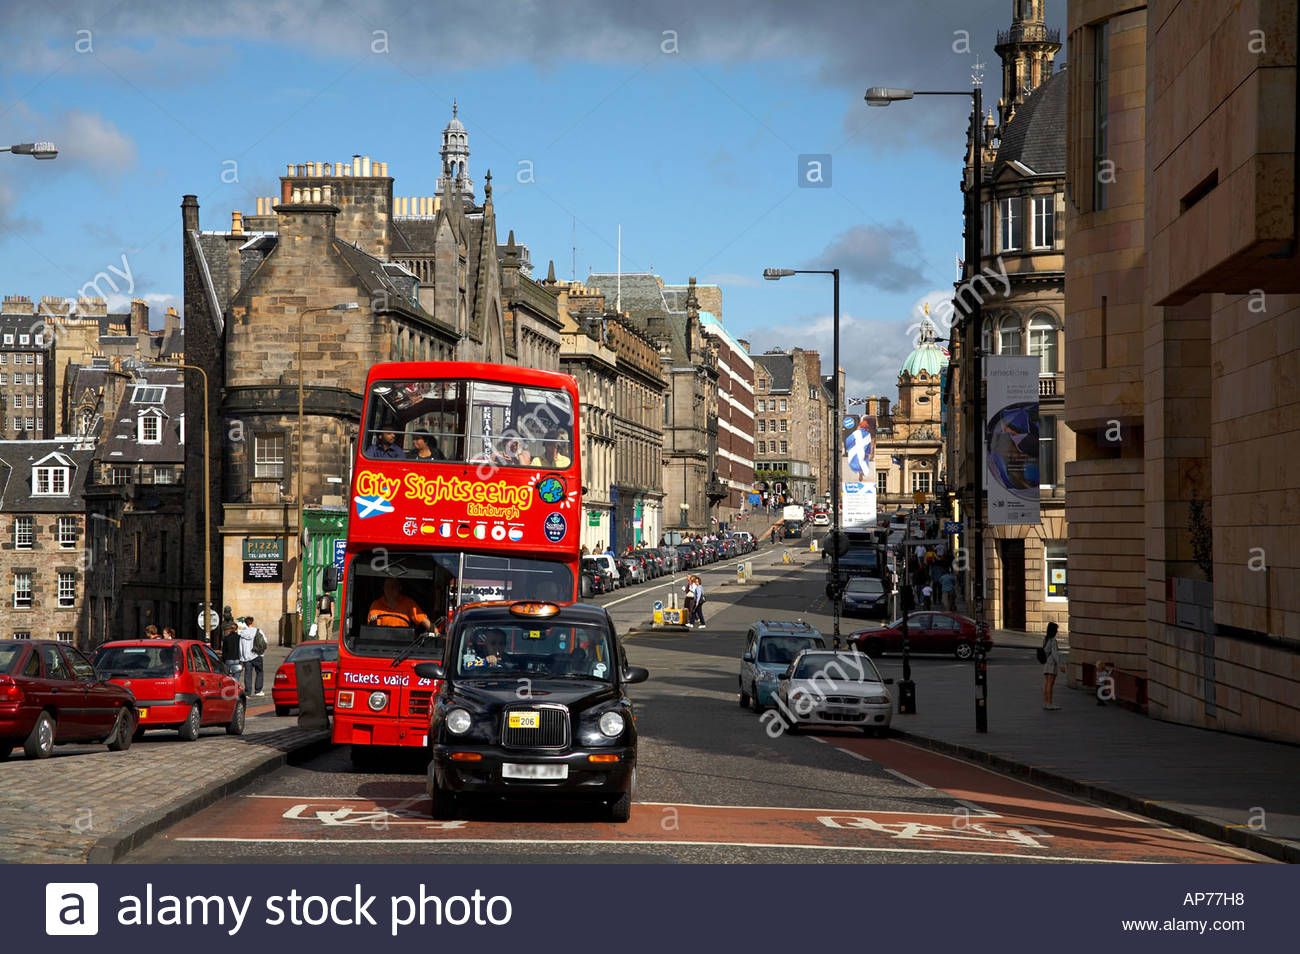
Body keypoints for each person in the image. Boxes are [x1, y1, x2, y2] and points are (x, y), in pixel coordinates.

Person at [238, 616, 265, 696]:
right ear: (252, 622)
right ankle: (258, 690)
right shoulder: (258, 631)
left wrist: (241, 658)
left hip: (246, 657)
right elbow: (265, 641)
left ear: (245, 623)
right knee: (259, 672)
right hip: (257, 655)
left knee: (248, 674)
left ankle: (248, 692)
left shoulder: (243, 633)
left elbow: (240, 647)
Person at [1041, 621, 1062, 710]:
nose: (1057, 631)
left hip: (1046, 663)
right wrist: (1060, 665)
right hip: (1051, 663)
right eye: (1056, 629)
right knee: (1050, 684)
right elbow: (1055, 654)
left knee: (1046, 684)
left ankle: (1046, 702)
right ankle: (1050, 703)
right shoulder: (1053, 640)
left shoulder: (1045, 639)